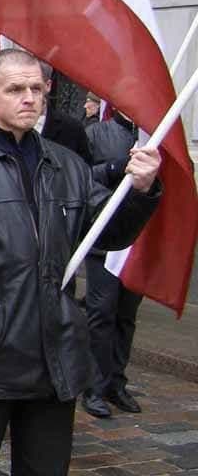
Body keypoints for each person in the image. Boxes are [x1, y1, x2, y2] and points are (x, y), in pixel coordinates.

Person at [0, 50, 162, 476]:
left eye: (36, 88)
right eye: (15, 89)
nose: (29, 98)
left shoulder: (66, 164)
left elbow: (110, 232)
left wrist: (140, 192)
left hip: (55, 354)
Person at [81, 110, 144, 419]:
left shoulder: (152, 134)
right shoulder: (97, 132)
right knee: (101, 313)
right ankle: (94, 385)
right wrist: (115, 168)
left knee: (126, 315)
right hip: (105, 238)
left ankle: (116, 383)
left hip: (140, 241)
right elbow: (80, 174)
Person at [37, 63, 92, 163]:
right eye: (16, 89)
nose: (27, 96)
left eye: (34, 87)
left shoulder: (72, 129)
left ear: (48, 85)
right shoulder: (4, 127)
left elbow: (84, 173)